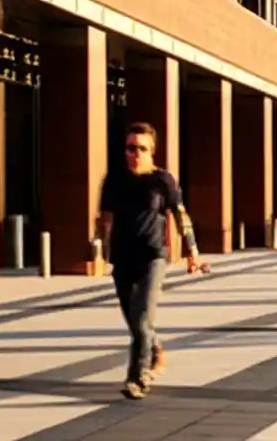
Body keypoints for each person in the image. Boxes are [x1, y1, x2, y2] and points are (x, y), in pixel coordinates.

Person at [97, 122, 205, 400]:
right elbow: (105, 218)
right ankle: (155, 348)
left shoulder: (162, 181)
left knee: (142, 318)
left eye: (140, 149)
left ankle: (138, 377)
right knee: (135, 321)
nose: (134, 154)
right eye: (130, 148)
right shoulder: (114, 179)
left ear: (151, 152)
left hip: (153, 257)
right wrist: (99, 246)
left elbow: (180, 214)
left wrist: (192, 251)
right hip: (122, 259)